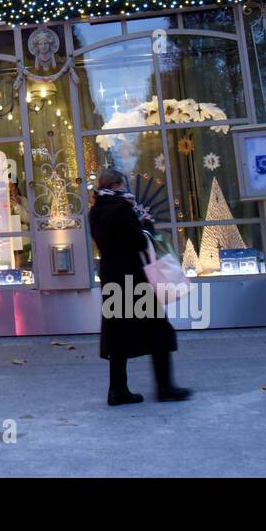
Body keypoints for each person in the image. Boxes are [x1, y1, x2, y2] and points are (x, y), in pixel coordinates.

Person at [88, 168, 190, 406]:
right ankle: (165, 387)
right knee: (159, 329)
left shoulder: (96, 211)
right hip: (132, 277)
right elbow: (136, 240)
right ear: (116, 186)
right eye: (123, 185)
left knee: (117, 335)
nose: (126, 189)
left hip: (111, 277)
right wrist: (145, 225)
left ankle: (118, 390)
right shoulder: (121, 208)